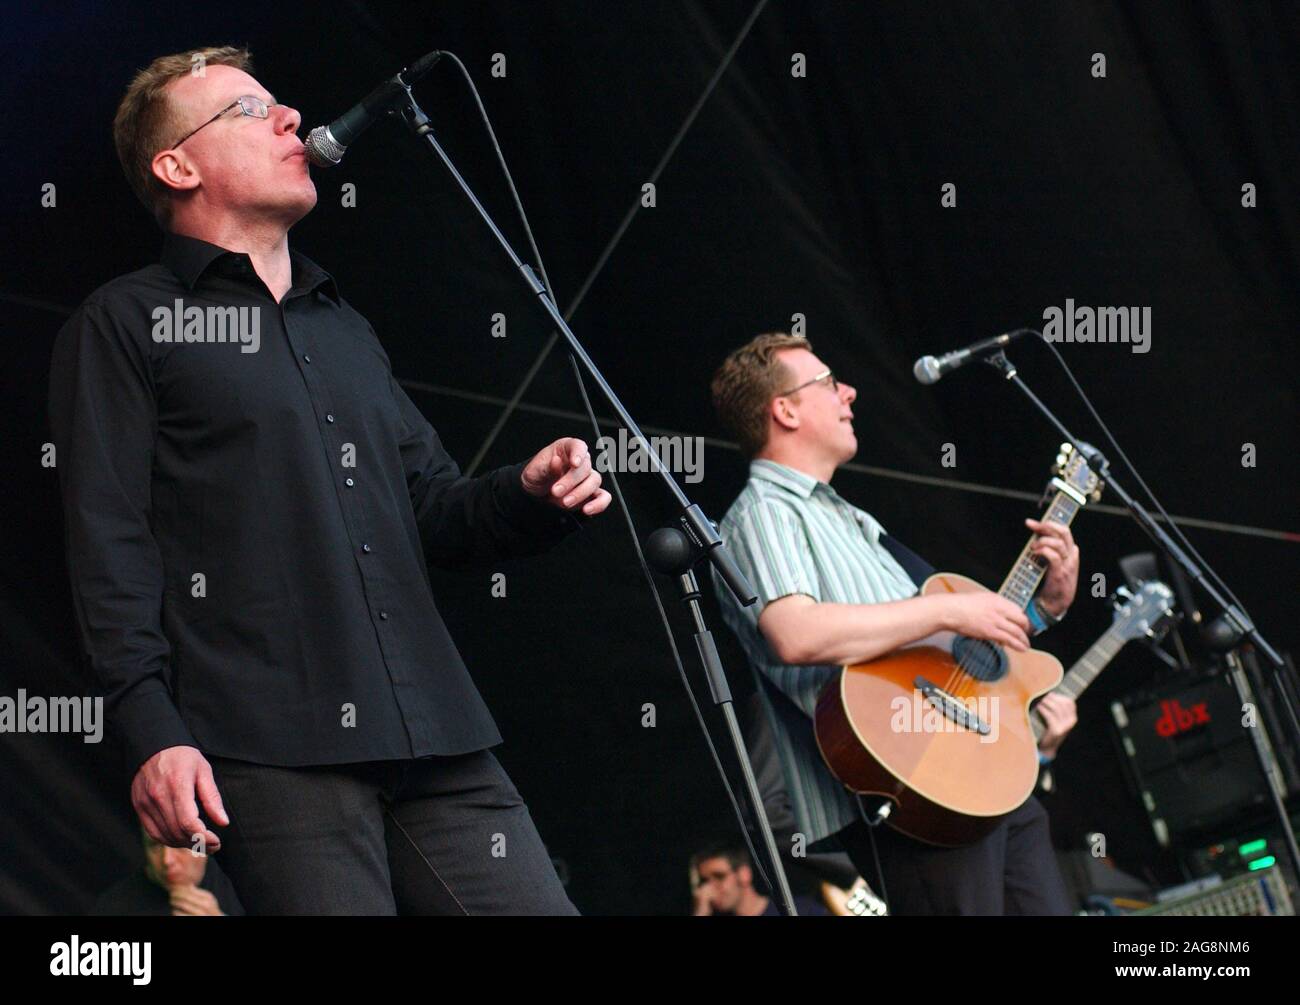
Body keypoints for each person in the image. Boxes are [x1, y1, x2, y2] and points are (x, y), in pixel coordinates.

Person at [49, 45, 611, 915]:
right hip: (266, 749)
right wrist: (150, 729)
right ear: (177, 164)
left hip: (436, 734)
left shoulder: (345, 326)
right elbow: (108, 544)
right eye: (248, 110)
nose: (290, 120)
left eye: (280, 103)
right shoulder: (124, 323)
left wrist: (527, 494)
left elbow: (432, 509)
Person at [709, 332, 1079, 915]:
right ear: (784, 410)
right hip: (912, 786)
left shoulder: (849, 517)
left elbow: (943, 647)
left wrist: (1046, 605)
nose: (850, 393)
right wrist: (948, 608)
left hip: (982, 772)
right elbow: (795, 633)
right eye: (829, 383)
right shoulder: (764, 514)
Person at [92, 825, 244, 916]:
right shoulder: (115, 906)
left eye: (178, 844)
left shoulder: (241, 885)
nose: (167, 860)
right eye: (155, 846)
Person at [689, 842, 829, 916]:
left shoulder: (800, 909)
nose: (709, 888)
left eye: (719, 876)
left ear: (744, 874)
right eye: (705, 881)